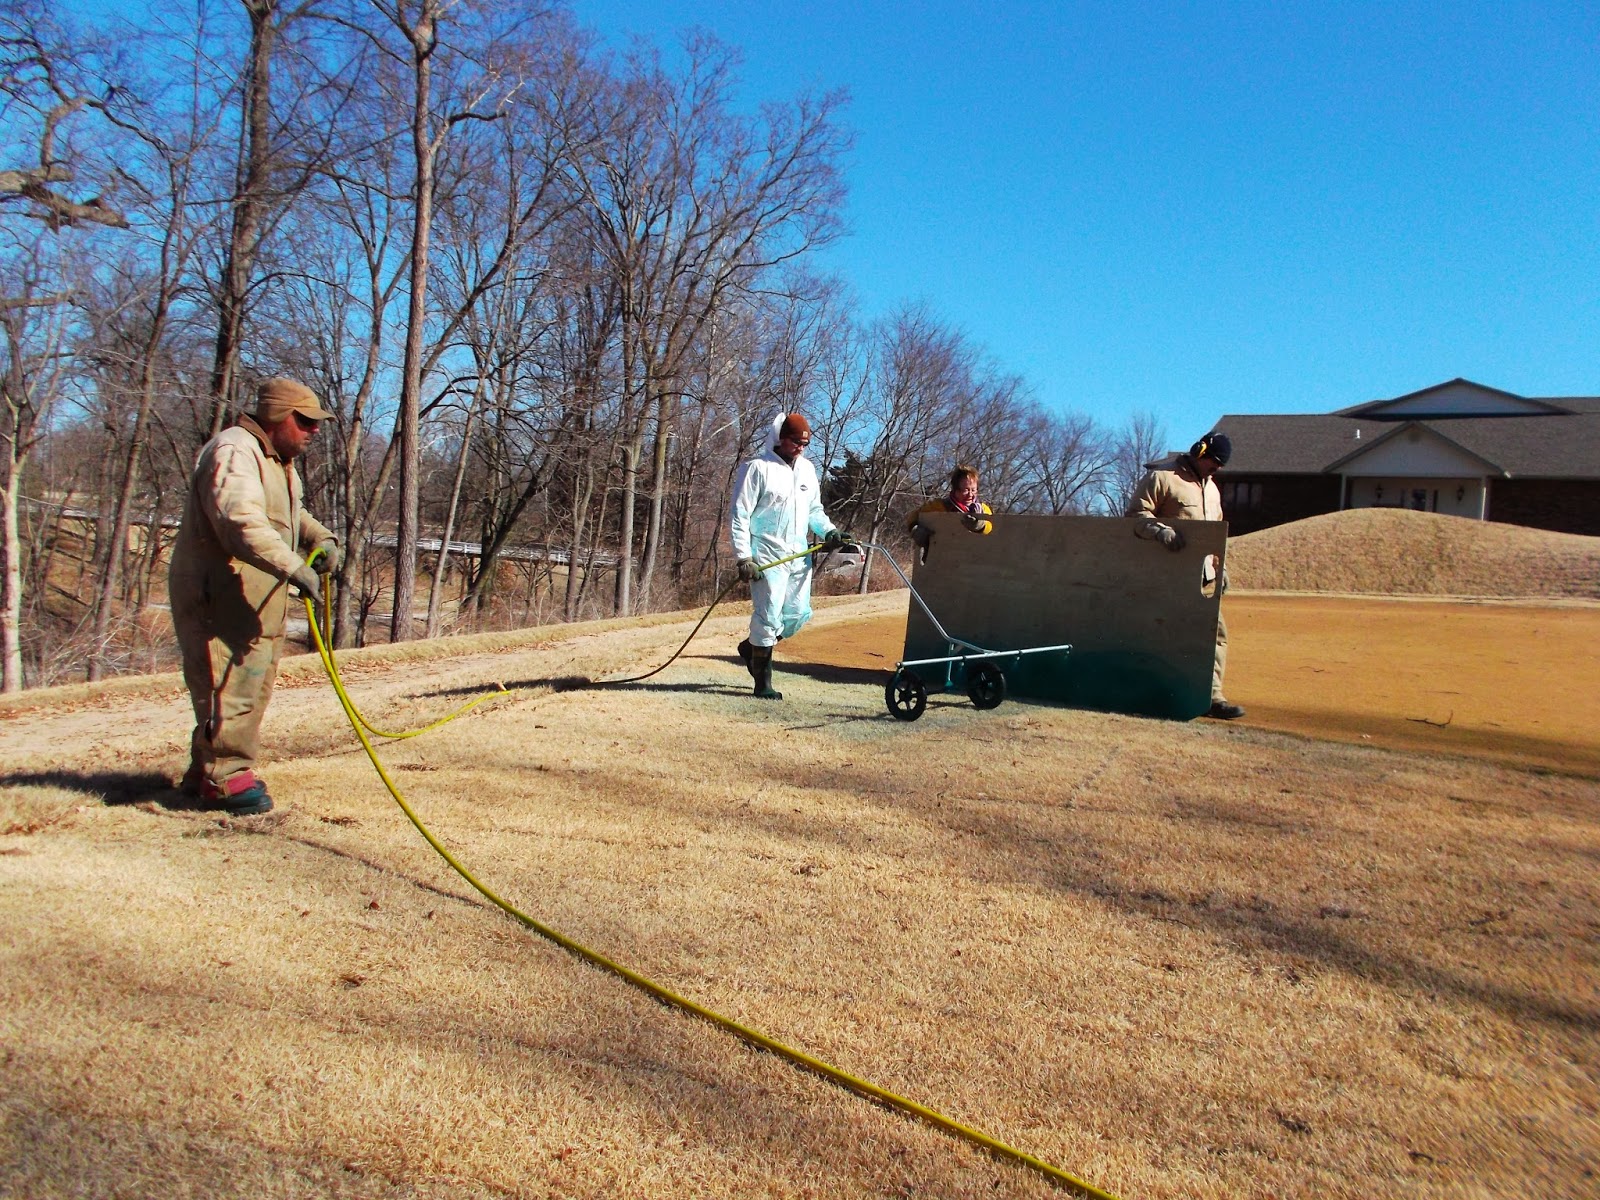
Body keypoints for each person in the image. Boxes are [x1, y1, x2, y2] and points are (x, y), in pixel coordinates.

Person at [169, 378, 340, 815]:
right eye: (305, 421)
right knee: (228, 687)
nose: (314, 430)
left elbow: (289, 512)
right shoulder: (235, 451)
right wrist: (294, 567)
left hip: (253, 597)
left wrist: (320, 536)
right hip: (220, 594)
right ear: (278, 416)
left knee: (249, 684)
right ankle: (225, 779)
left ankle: (204, 773)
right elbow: (240, 522)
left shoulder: (275, 461)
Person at [728, 412, 849, 700]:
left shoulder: (806, 470)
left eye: (805, 444)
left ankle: (751, 647)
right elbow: (739, 515)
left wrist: (829, 531)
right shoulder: (757, 469)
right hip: (767, 554)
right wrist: (744, 557)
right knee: (768, 616)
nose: (800, 448)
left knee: (798, 614)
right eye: (796, 442)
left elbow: (814, 510)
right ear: (780, 438)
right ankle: (763, 684)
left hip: (798, 554)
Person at [1126, 430, 1244, 720]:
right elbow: (1135, 516)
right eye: (1215, 462)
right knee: (1164, 635)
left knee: (1215, 634)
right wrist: (1161, 531)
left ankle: (1211, 697)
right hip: (1166, 576)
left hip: (1200, 579)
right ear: (1199, 452)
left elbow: (1214, 533)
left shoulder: (1212, 490)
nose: (1217, 469)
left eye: (1221, 465)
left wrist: (1221, 567)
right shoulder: (1162, 478)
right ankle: (1152, 695)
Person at [906, 464, 993, 559]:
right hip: (940, 561)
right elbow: (914, 516)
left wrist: (980, 525)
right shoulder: (939, 506)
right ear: (955, 490)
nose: (970, 495)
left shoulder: (983, 510)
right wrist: (916, 530)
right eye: (966, 490)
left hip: (973, 561)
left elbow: (992, 528)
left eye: (973, 490)